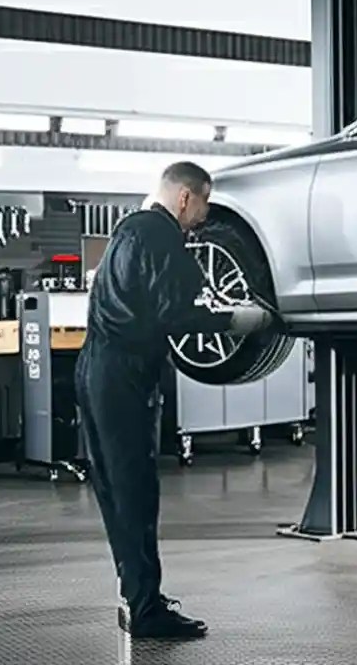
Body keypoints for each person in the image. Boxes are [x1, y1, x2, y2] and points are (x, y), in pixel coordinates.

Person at [74, 161, 272, 639]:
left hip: (94, 367)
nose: (203, 219)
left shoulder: (126, 229)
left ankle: (134, 596)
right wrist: (241, 321)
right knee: (136, 492)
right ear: (187, 198)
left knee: (115, 491)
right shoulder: (163, 237)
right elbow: (180, 315)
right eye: (203, 205)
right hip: (123, 376)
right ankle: (147, 610)